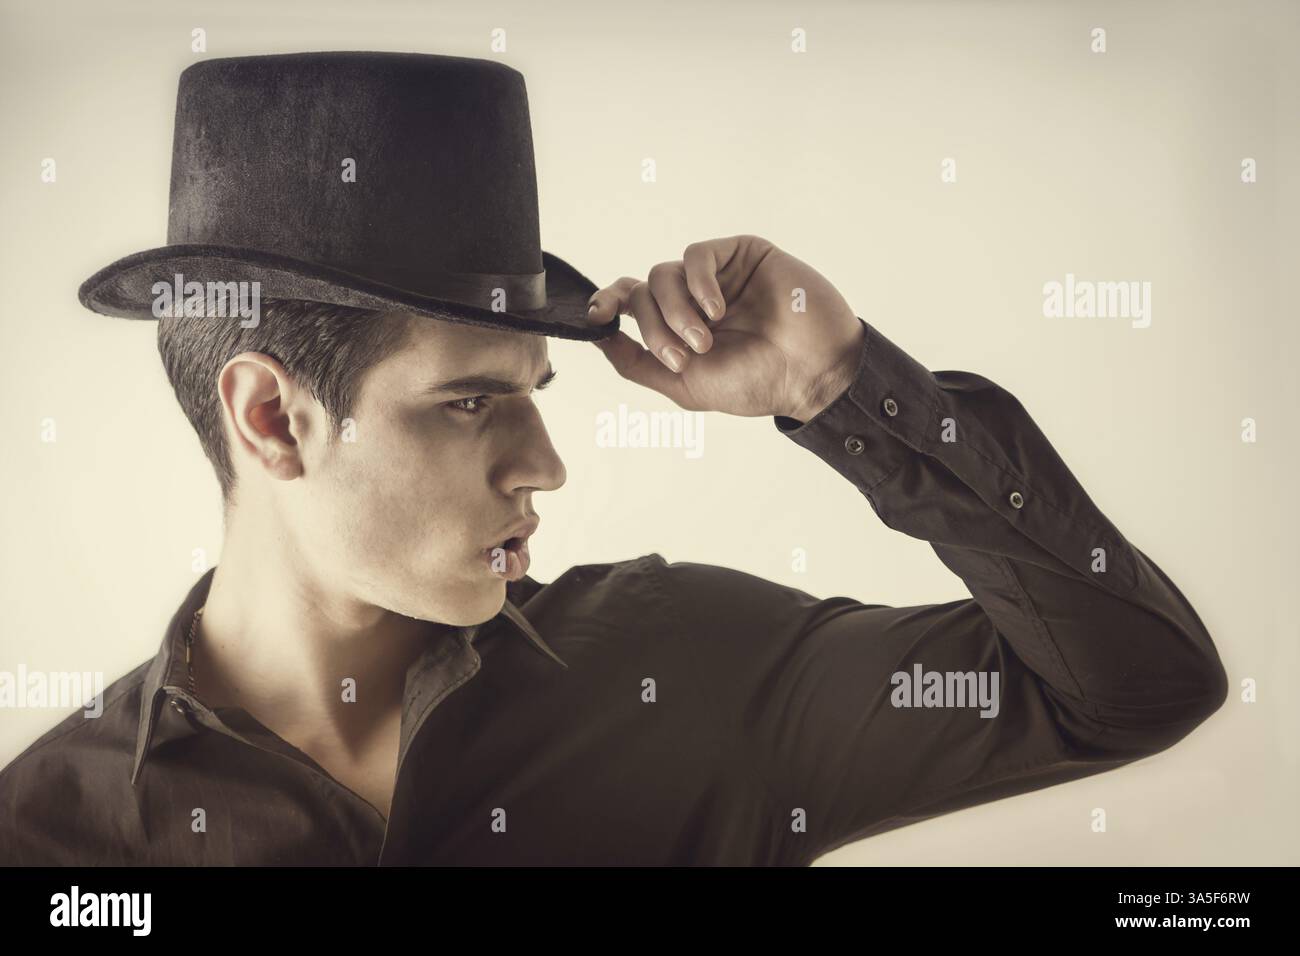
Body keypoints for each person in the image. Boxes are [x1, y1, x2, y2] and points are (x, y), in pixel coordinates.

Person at [0, 53, 1227, 866]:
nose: (547, 465)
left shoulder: (684, 666)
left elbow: (1135, 685)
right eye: (473, 403)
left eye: (536, 394)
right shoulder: (52, 836)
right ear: (272, 417)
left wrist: (843, 385)